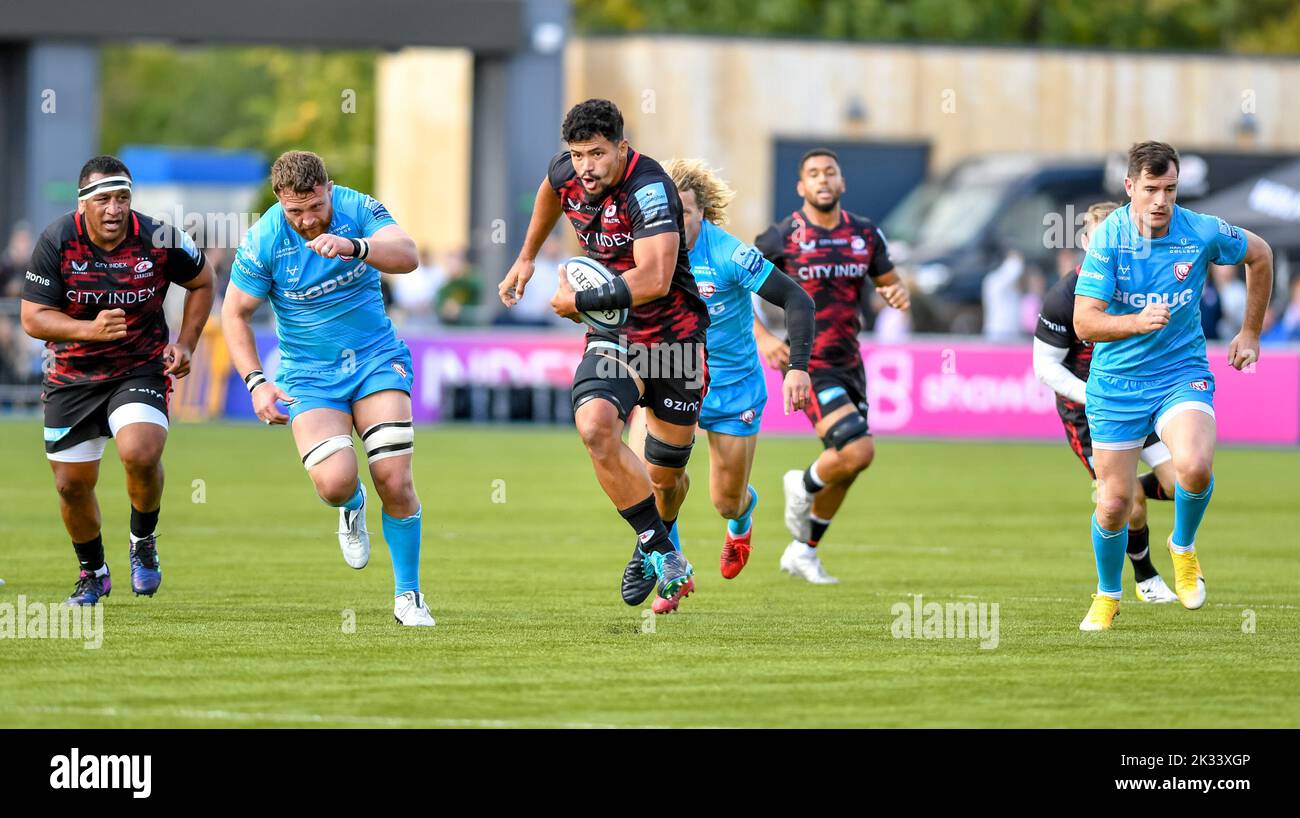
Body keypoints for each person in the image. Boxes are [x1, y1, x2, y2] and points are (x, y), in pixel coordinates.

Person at [498, 99, 707, 613]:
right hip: (616, 335)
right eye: (577, 154)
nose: (586, 167)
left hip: (676, 343)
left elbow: (656, 278)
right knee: (595, 427)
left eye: (597, 154)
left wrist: (579, 301)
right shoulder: (568, 172)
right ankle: (661, 549)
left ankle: (655, 536)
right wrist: (525, 257)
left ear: (622, 146)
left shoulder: (650, 189)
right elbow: (550, 192)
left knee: (667, 479)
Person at [220, 150, 434, 627]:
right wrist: (256, 383)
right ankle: (351, 505)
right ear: (279, 201)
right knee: (335, 483)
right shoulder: (264, 240)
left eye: (315, 207)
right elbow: (234, 313)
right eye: (296, 211)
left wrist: (354, 246)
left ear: (328, 189)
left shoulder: (358, 209)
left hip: (376, 361)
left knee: (395, 480)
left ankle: (408, 596)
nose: (309, 220)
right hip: (309, 376)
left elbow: (408, 255)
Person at [1074, 141, 1273, 631]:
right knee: (1116, 502)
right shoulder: (1109, 240)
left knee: (1195, 467)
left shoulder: (1201, 230)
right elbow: (1084, 323)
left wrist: (1250, 331)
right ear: (1129, 188)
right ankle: (1107, 594)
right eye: (1151, 189)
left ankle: (1182, 548)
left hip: (1180, 374)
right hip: (1117, 384)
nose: (1161, 200)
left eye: (1170, 189)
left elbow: (1261, 255)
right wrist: (1136, 321)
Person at [20, 155, 215, 604]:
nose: (114, 209)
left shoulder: (160, 237)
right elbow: (32, 317)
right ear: (83, 203)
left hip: (139, 366)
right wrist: (88, 329)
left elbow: (204, 281)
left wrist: (185, 343)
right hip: (72, 377)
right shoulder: (57, 240)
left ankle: (143, 541)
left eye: (123, 198)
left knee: (141, 451)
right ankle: (93, 572)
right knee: (71, 485)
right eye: (104, 199)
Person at [625, 158, 814, 579]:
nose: (670, 221)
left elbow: (797, 300)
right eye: (663, 212)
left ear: (702, 214)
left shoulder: (729, 253)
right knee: (657, 481)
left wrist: (797, 365)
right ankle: (669, 568)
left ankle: (742, 521)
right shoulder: (644, 248)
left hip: (731, 388)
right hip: (672, 375)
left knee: (726, 500)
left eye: (683, 212)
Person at [754, 148, 910, 584]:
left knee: (847, 465)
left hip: (850, 362)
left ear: (841, 183)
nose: (823, 180)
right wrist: (763, 335)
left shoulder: (864, 234)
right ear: (801, 187)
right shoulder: (782, 236)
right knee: (858, 450)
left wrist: (898, 294)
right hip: (809, 362)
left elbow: (888, 281)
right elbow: (733, 286)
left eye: (830, 173)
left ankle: (803, 551)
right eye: (813, 174)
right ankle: (801, 485)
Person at [1033, 200, 1178, 604]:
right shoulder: (1065, 295)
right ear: (1084, 241)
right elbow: (1045, 367)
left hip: (1140, 401)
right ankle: (1145, 576)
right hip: (1091, 414)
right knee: (1126, 501)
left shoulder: (1141, 285)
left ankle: (1126, 490)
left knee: (1185, 483)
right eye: (1100, 239)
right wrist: (1094, 395)